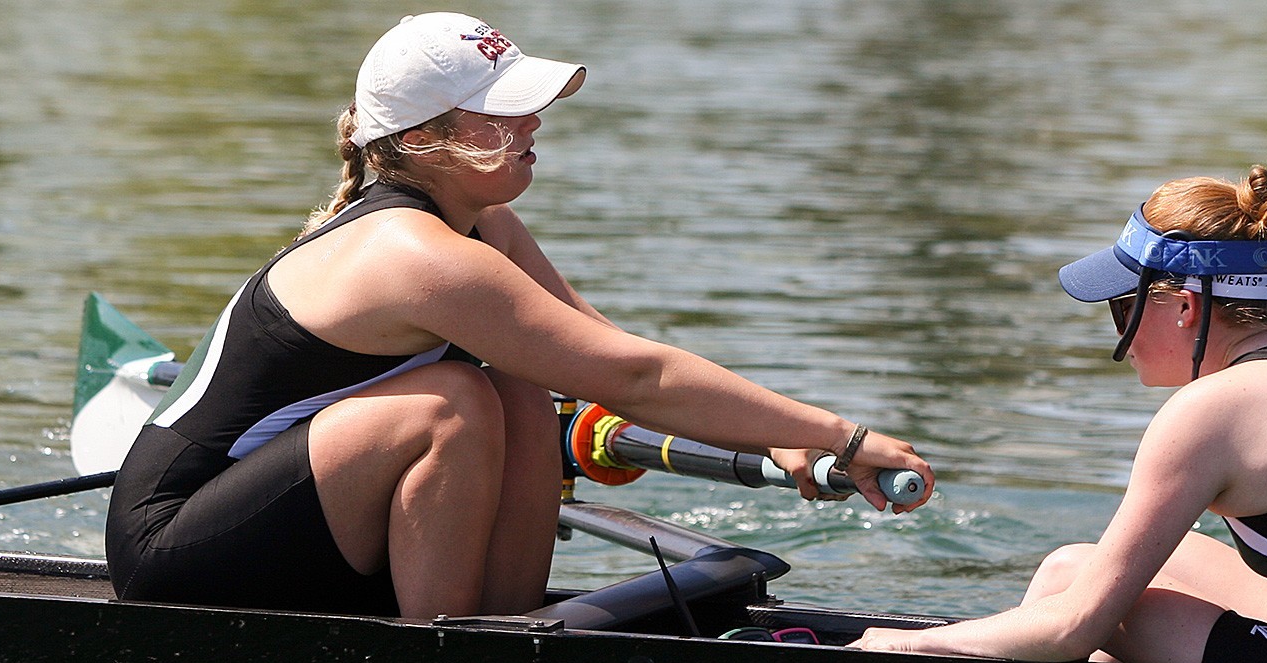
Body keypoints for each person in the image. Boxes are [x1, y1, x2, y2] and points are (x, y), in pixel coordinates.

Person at [105, 12, 934, 620]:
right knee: (452, 402)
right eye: (504, 109)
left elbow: (604, 352)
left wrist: (777, 433)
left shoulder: (480, 227)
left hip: (299, 514)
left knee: (519, 389)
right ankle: (447, 650)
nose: (534, 123)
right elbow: (636, 380)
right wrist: (843, 437)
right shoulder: (415, 255)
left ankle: (504, 626)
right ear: (428, 137)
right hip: (178, 546)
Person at [854, 166, 1267, 663]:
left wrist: (911, 644)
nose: (1120, 335)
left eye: (1123, 308)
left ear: (1186, 307)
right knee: (1111, 563)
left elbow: (1072, 630)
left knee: (1074, 588)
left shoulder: (1212, 408)